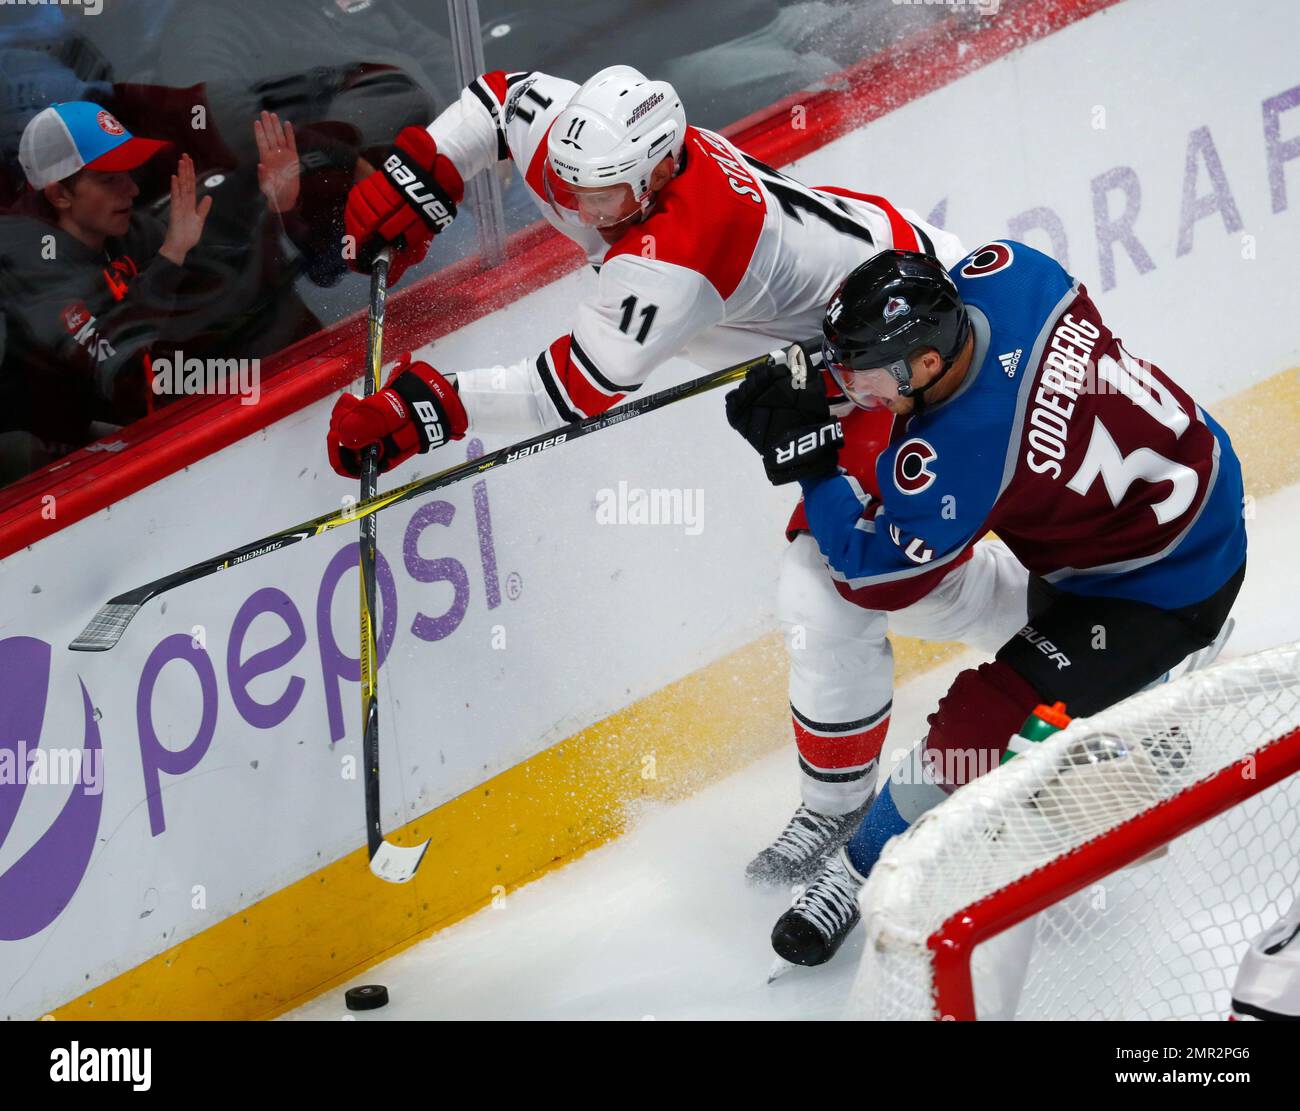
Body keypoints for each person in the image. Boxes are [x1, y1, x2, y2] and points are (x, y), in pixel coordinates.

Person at [329, 65, 1023, 886]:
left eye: (609, 195)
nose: (586, 209)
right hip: (875, 307)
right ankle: (1018, 664)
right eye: (576, 186)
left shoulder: (678, 253)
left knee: (841, 580)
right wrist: (424, 170)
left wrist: (428, 408)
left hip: (902, 347)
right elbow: (495, 97)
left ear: (661, 172)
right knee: (851, 579)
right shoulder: (592, 150)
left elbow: (570, 388)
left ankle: (1062, 638)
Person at [725, 243, 1247, 966]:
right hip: (1195, 483)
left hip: (1160, 586)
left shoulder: (963, 457)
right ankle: (1129, 698)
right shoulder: (1012, 274)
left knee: (985, 724)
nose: (861, 389)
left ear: (931, 363)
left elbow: (871, 578)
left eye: (871, 376)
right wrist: (831, 381)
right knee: (1038, 656)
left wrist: (812, 467)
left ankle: (853, 873)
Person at [0, 102, 304, 481]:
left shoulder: (123, 230)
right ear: (60, 194)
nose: (133, 188)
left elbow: (216, 292)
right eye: (110, 179)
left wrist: (277, 210)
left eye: (128, 171)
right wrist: (170, 257)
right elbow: (124, 376)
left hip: (139, 445)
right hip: (56, 483)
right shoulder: (30, 264)